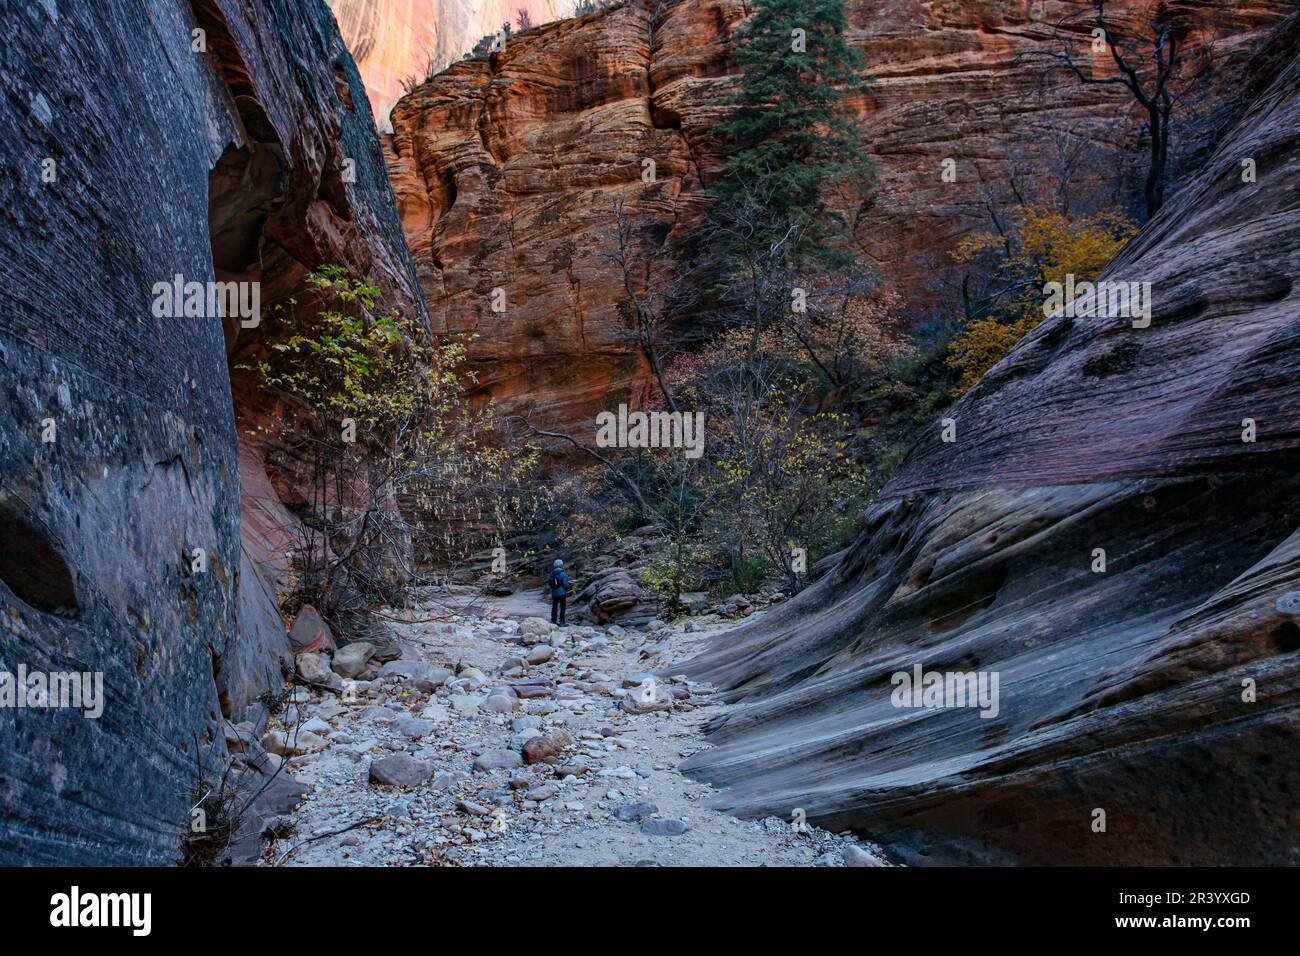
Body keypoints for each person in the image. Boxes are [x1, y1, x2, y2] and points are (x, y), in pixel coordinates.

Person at [548, 559, 570, 626]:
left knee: (554, 606)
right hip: (562, 593)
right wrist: (569, 586)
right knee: (562, 607)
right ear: (561, 565)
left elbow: (550, 582)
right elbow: (565, 584)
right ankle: (562, 622)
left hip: (554, 593)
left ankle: (553, 620)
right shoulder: (563, 573)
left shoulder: (552, 573)